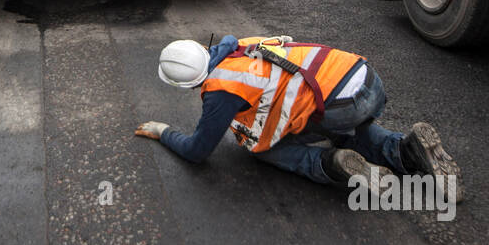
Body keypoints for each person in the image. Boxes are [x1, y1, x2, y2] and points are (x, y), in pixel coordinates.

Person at [134, 35, 462, 199]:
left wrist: (163, 132)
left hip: (338, 104)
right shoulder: (242, 45)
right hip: (363, 77)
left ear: (183, 84)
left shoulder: (220, 90)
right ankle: (408, 150)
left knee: (258, 147)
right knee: (348, 127)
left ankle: (331, 165)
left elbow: (197, 152)